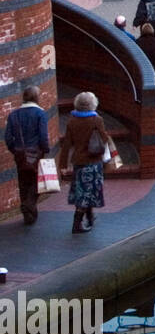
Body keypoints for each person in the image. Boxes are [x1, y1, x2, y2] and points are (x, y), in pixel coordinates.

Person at [57, 91, 111, 234]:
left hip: (78, 162)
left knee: (84, 190)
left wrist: (63, 165)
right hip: (93, 162)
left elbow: (67, 144)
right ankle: (77, 224)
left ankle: (90, 216)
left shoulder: (72, 120)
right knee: (87, 193)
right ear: (93, 104)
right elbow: (104, 139)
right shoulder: (97, 120)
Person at [4, 86, 50, 225]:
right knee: (36, 182)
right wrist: (45, 149)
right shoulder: (40, 114)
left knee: (23, 182)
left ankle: (28, 215)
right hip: (35, 153)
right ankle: (28, 205)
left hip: (20, 154)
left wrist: (16, 150)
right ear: (36, 97)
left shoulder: (13, 115)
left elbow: (7, 138)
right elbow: (43, 136)